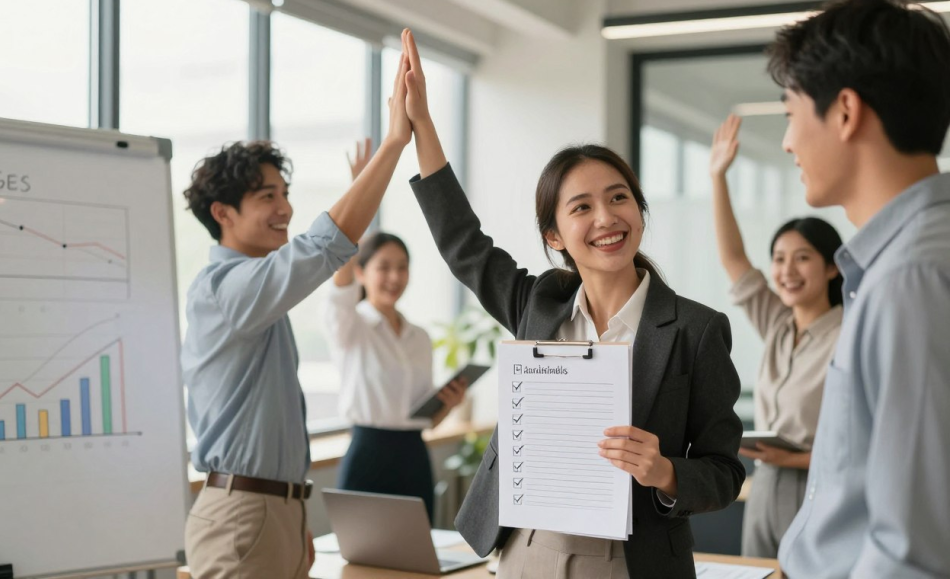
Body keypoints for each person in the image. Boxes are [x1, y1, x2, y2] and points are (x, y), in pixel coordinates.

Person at [399, 29, 744, 578]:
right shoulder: (539, 303)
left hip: (631, 559)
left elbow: (725, 472)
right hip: (527, 548)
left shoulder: (696, 330)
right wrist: (422, 125)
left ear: (639, 211)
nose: (606, 219)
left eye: (618, 198)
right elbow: (463, 245)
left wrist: (663, 472)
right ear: (555, 235)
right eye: (581, 207)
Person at [179, 35, 414, 579]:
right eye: (267, 197)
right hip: (243, 513)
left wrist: (288, 512)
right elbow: (324, 247)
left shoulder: (256, 289)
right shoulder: (226, 288)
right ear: (223, 212)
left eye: (286, 194)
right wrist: (394, 144)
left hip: (273, 510)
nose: (286, 208)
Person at [767, 0, 950, 577]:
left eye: (791, 114)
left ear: (845, 111)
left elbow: (912, 552)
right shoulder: (903, 263)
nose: (787, 142)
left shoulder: (911, 279)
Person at [709, 114, 844, 558]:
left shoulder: (853, 329)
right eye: (779, 258)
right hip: (765, 483)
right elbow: (733, 259)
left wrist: (798, 459)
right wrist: (717, 177)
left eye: (802, 258)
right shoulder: (778, 323)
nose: (786, 270)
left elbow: (872, 438)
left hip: (821, 485)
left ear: (831, 267)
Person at [320, 141, 467, 522]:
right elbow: (339, 276)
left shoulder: (419, 336)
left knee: (416, 559)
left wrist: (447, 404)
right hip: (367, 452)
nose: (394, 277)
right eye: (383, 267)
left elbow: (423, 418)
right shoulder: (351, 325)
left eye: (402, 267)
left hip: (414, 455)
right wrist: (357, 195)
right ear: (361, 273)